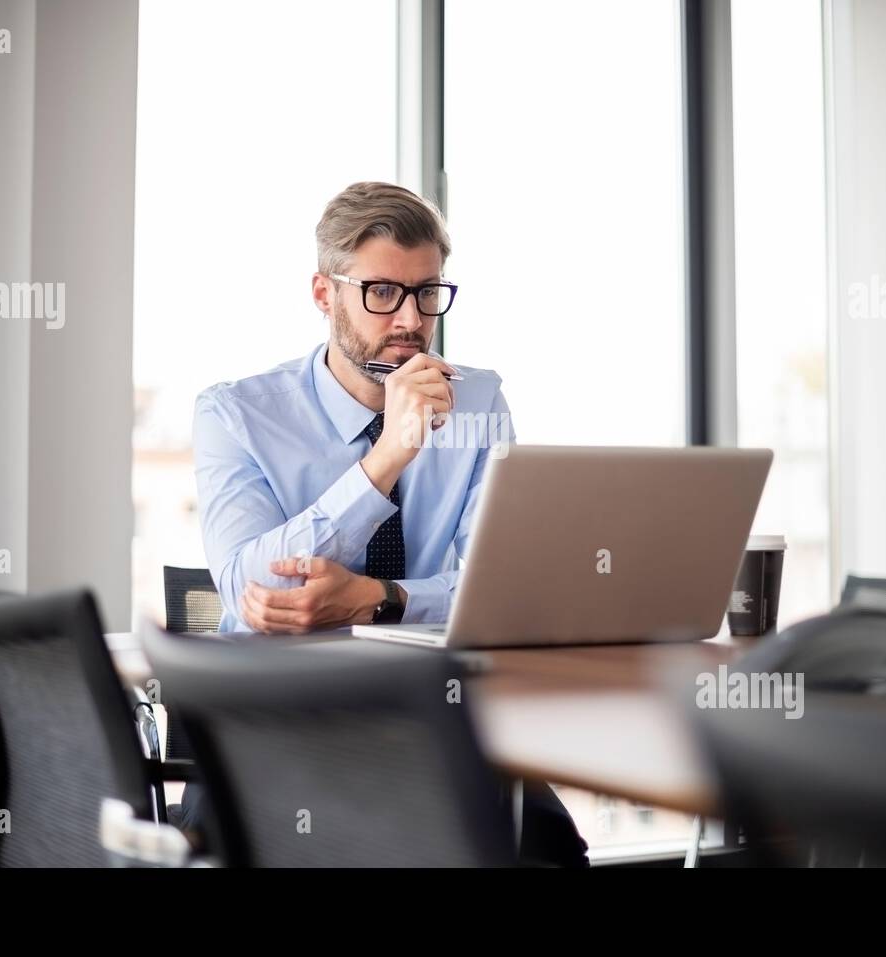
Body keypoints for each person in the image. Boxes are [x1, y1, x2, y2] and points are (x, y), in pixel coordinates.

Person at [181, 181, 587, 867]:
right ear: (323, 294)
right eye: (382, 292)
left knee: (547, 847)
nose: (409, 319)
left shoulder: (479, 400)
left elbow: (498, 594)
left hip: (431, 718)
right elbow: (249, 583)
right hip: (272, 720)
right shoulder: (235, 415)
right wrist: (388, 456)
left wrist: (381, 599)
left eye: (427, 292)